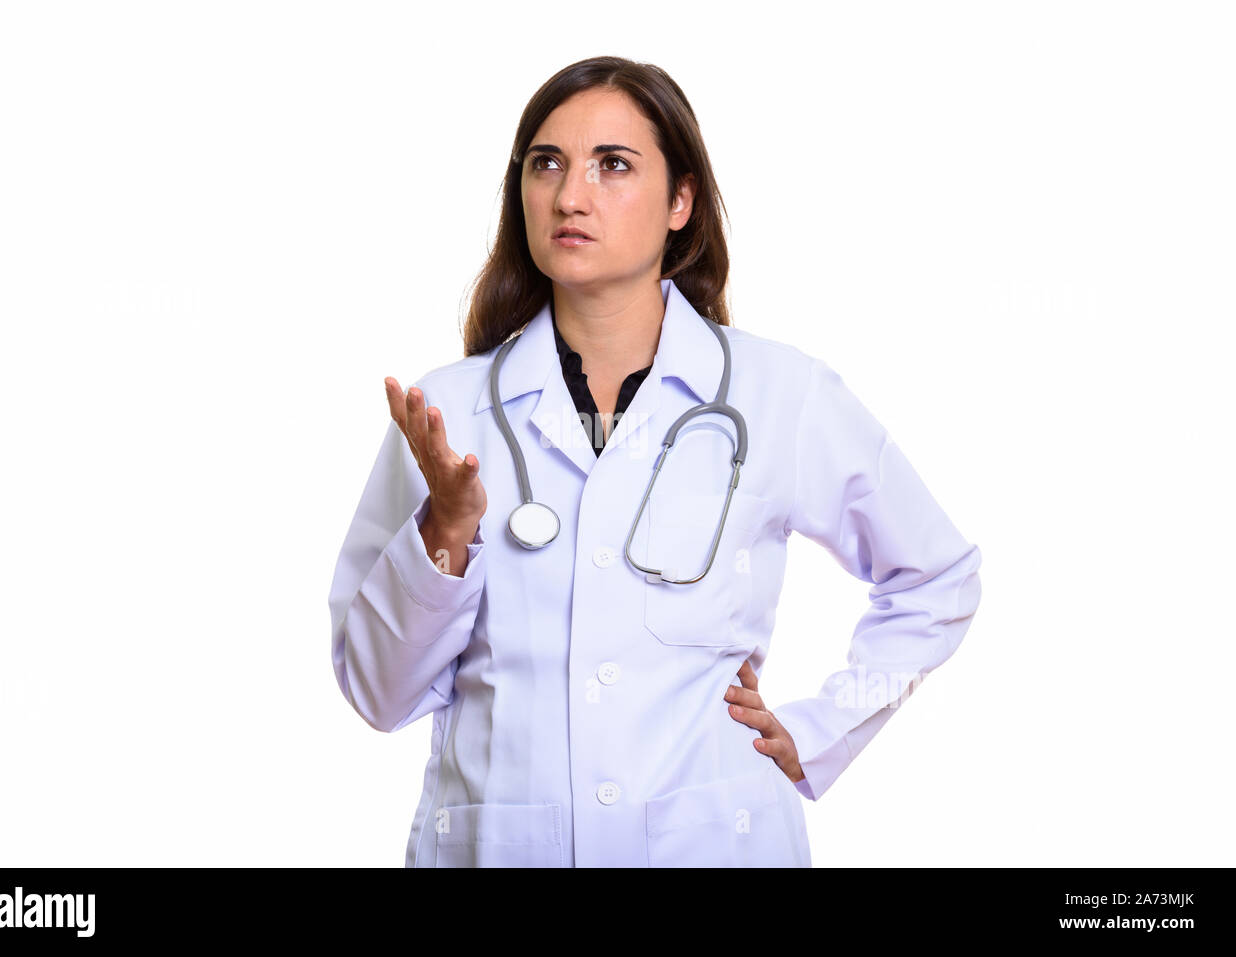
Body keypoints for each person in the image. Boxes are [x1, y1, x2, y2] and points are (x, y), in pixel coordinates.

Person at [327, 56, 983, 867]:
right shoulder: (446, 413)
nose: (571, 195)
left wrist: (821, 729)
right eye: (548, 164)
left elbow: (938, 576)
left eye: (613, 165)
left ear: (681, 202)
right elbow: (376, 694)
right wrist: (446, 534)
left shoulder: (779, 393)